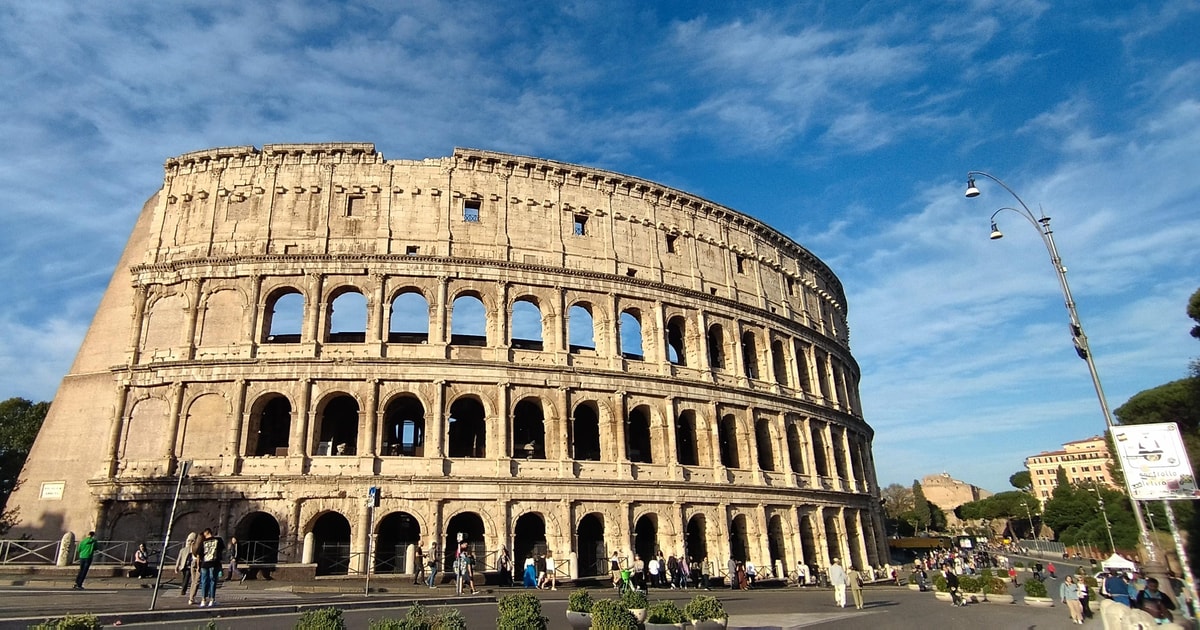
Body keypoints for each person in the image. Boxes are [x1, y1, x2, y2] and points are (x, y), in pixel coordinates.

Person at [197, 528, 226, 607]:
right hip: (214, 563)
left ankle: (203, 600)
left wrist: (198, 566)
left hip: (204, 564)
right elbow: (222, 550)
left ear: (206, 533)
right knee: (213, 581)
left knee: (204, 581)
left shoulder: (203, 542)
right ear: (210, 532)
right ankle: (212, 600)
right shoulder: (218, 540)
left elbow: (199, 554)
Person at [176, 532, 197, 596]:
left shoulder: (194, 549)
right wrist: (176, 566)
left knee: (188, 578)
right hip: (185, 566)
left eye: (192, 541)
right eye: (189, 541)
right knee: (185, 577)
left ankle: (184, 589)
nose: (190, 542)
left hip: (192, 566)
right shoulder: (183, 550)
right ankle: (184, 588)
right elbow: (179, 559)